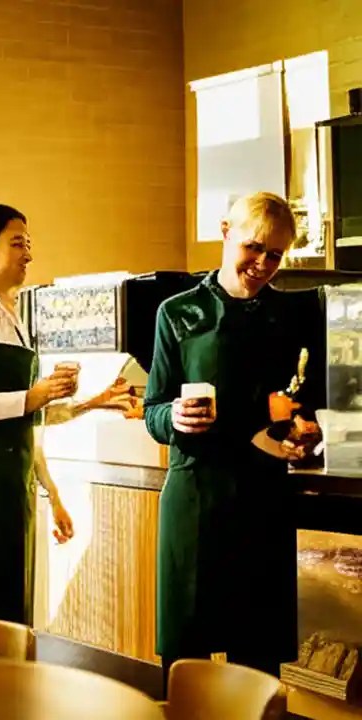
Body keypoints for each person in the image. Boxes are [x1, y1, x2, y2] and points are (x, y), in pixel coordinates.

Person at [144, 192, 322, 687]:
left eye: (276, 255)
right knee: (187, 665)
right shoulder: (177, 314)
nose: (263, 264)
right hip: (195, 498)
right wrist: (174, 417)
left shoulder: (290, 317)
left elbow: (302, 403)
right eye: (253, 247)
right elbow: (152, 410)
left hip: (264, 501)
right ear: (225, 232)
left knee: (259, 669)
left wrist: (307, 433)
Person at [0, 204, 130, 625]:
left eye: (29, 244)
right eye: (18, 243)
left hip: (16, 485)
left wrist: (94, 401)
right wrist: (32, 396)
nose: (28, 255)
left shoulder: (12, 315)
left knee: (14, 608)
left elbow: (30, 417)